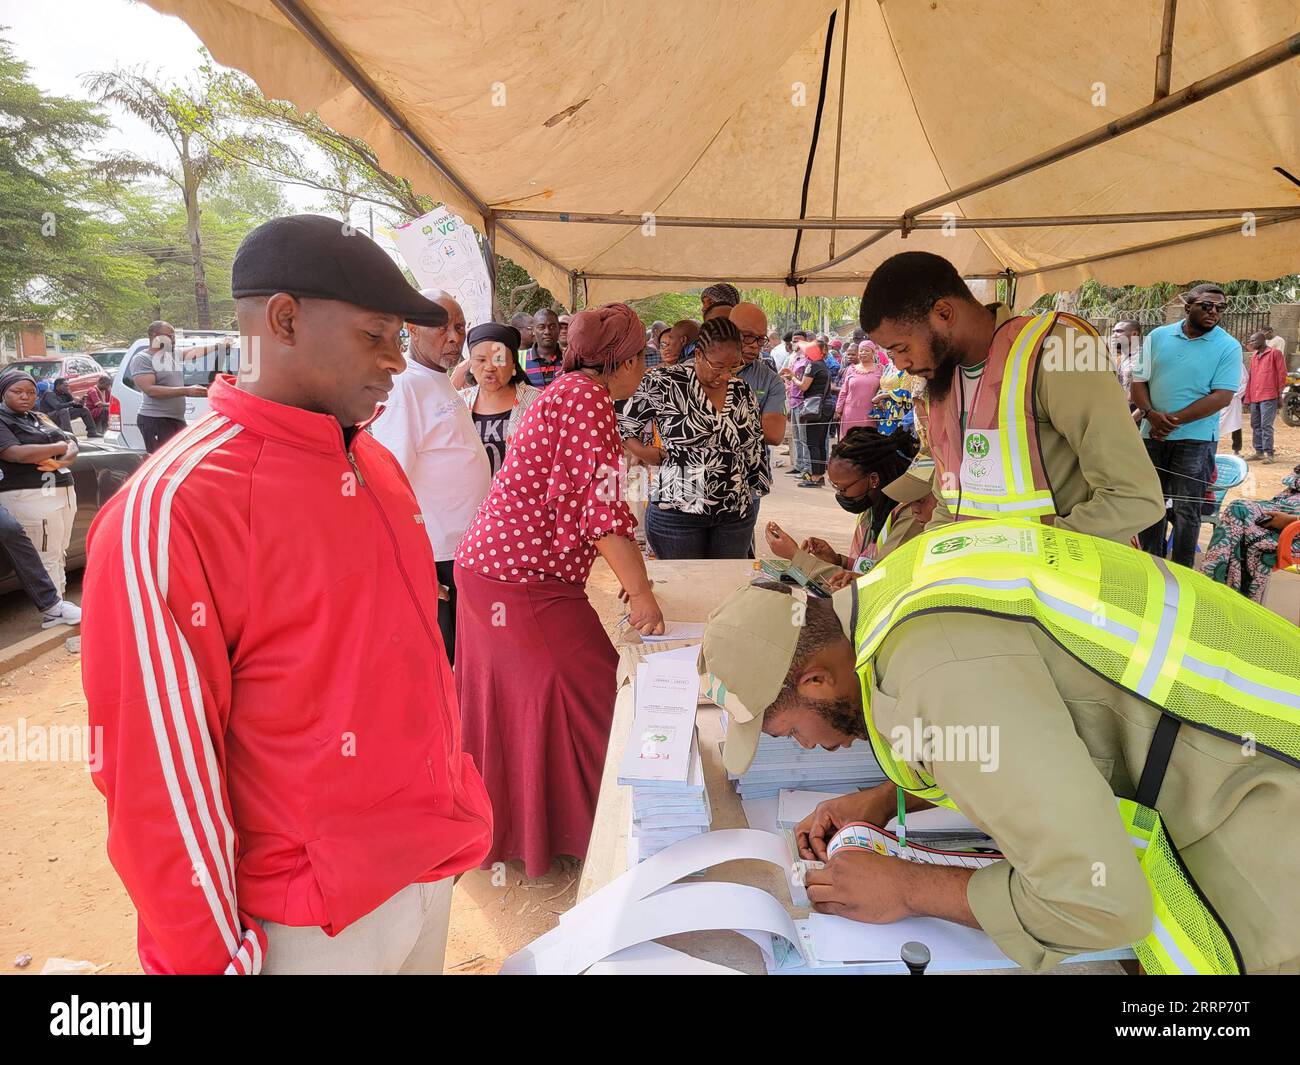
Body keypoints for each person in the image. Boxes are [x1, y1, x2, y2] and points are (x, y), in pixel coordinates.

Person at [81, 214, 492, 975]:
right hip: (300, 930)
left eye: (402, 339)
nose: (398, 362)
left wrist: (452, 813)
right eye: (378, 336)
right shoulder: (173, 509)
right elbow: (156, 779)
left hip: (422, 873)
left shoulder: (374, 465)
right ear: (284, 320)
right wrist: (214, 962)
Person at [701, 520, 1300, 974]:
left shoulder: (938, 678)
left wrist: (908, 888)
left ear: (815, 682)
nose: (810, 748)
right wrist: (886, 798)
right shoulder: (897, 587)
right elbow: (1012, 707)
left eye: (788, 733)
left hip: (1265, 810)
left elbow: (1098, 905)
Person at [455, 302, 664, 877]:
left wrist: (632, 577)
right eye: (640, 354)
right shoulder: (585, 396)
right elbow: (600, 508)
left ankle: (547, 828)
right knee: (597, 688)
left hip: (499, 570)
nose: (643, 366)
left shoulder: (571, 392)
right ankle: (609, 825)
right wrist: (640, 590)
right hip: (518, 578)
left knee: (530, 700)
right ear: (619, 360)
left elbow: (585, 495)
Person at [861, 251, 1163, 542]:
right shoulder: (944, 378)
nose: (900, 365)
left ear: (943, 313)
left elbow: (1133, 498)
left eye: (901, 348)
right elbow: (949, 506)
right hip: (986, 586)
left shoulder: (1056, 352)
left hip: (1060, 583)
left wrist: (1026, 551)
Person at [370, 289, 486, 666]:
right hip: (435, 558)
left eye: (459, 326)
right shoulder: (406, 387)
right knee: (445, 662)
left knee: (465, 660)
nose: (453, 337)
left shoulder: (438, 379)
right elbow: (391, 481)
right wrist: (411, 564)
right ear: (412, 329)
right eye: (440, 326)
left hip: (460, 552)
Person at [620, 317, 768, 558]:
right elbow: (623, 424)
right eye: (719, 366)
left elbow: (753, 444)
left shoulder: (741, 390)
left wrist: (753, 489)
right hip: (679, 506)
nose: (727, 376)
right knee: (684, 587)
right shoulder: (665, 382)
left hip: (733, 509)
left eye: (734, 367)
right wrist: (644, 452)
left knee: (727, 589)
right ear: (698, 354)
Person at [1132, 284, 1243, 567]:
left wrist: (1170, 421)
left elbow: (1221, 396)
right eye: (1207, 305)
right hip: (1152, 435)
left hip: (1195, 441)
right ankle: (1150, 564)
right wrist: (1149, 414)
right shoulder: (1158, 337)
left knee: (1186, 509)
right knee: (1150, 503)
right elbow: (1138, 381)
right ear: (1188, 307)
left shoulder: (1228, 347)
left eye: (1221, 307)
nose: (1214, 312)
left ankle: (1182, 572)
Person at [765, 428, 933, 588]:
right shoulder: (872, 509)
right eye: (835, 487)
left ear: (874, 480)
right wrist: (838, 561)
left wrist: (796, 556)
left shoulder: (913, 516)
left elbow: (874, 582)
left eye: (843, 489)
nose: (840, 494)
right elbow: (866, 569)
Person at [0, 369, 82, 613]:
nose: (25, 397)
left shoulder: (39, 417)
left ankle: (62, 603)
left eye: (31, 392)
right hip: (30, 494)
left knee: (59, 552)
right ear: (3, 392)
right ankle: (54, 612)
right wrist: (57, 447)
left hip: (62, 489)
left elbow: (72, 442)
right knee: (44, 555)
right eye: (17, 391)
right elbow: (15, 453)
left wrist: (63, 460)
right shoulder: (2, 419)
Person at [1204, 464, 1300, 603]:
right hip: (1283, 519)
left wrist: (1291, 521)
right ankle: (1217, 588)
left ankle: (1224, 592)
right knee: (1238, 508)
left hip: (1293, 533)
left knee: (1246, 532)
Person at [731, 302, 788, 535]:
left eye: (760, 339)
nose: (755, 346)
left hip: (746, 483)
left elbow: (774, 434)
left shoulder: (770, 380)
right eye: (747, 337)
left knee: (735, 560)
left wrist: (710, 422)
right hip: (694, 482)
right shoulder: (691, 371)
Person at [457, 322, 542, 476]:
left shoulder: (537, 403)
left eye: (499, 359)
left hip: (520, 496)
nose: (489, 367)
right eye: (481, 360)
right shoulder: (459, 403)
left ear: (513, 364)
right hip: (471, 497)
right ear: (471, 364)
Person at [124, 321, 211, 453]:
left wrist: (219, 346)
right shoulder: (143, 359)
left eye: (174, 336)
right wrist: (187, 390)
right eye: (169, 336)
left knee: (181, 457)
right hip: (156, 420)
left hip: (176, 420)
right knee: (164, 463)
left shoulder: (171, 355)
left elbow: (194, 352)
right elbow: (150, 390)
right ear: (155, 336)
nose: (173, 339)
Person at [793, 341, 833, 488]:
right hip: (827, 405)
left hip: (816, 407)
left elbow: (803, 386)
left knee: (812, 443)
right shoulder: (823, 365)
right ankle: (820, 475)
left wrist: (792, 377)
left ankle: (815, 477)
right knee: (821, 443)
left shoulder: (813, 365)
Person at [1243, 330, 1288, 463]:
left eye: (1253, 340)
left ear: (1262, 340)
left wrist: (1279, 394)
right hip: (1255, 395)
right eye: (1250, 341)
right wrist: (1247, 397)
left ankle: (1269, 453)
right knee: (1255, 424)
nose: (1251, 343)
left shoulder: (1275, 353)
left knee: (1266, 425)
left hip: (1269, 395)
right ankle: (1259, 451)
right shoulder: (1255, 356)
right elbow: (1251, 378)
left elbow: (1282, 374)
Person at [835, 342, 883, 435]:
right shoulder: (851, 369)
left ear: (873, 353)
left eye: (866, 350)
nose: (863, 353)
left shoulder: (881, 369)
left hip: (871, 413)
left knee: (868, 441)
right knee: (850, 441)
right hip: (850, 412)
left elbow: (884, 389)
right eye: (861, 351)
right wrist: (838, 410)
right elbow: (844, 391)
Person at [522, 307, 564, 388]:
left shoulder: (569, 358)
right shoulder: (520, 359)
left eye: (552, 326)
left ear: (559, 328)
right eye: (541, 327)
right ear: (533, 330)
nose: (547, 332)